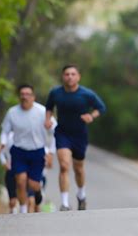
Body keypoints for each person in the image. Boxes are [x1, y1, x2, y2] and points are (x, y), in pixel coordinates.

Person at [45, 64, 106, 211]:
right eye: (67, 74)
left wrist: (91, 116)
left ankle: (81, 195)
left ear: (78, 77)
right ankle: (65, 203)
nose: (70, 77)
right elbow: (49, 107)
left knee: (78, 169)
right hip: (62, 133)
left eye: (73, 74)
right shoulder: (55, 93)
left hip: (80, 135)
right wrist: (47, 119)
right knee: (65, 166)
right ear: (62, 76)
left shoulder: (87, 94)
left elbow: (101, 108)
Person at [0, 84, 50, 214]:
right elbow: (5, 131)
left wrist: (51, 152)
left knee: (33, 184)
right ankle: (23, 210)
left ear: (33, 97)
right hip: (19, 151)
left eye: (28, 94)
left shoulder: (42, 111)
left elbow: (56, 130)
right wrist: (2, 143)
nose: (24, 97)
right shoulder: (12, 112)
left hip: (37, 151)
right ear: (19, 96)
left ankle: (38, 191)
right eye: (22, 94)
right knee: (20, 181)